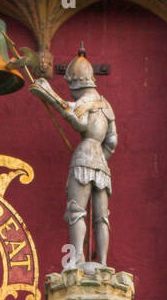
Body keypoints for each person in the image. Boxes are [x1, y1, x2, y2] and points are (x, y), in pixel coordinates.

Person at [31, 48, 117, 267]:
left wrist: (49, 95)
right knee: (102, 217)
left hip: (83, 157)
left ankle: (77, 260)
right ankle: (104, 263)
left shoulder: (83, 101)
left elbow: (79, 122)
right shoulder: (106, 105)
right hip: (102, 163)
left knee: (77, 211)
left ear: (75, 83)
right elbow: (113, 141)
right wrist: (101, 159)